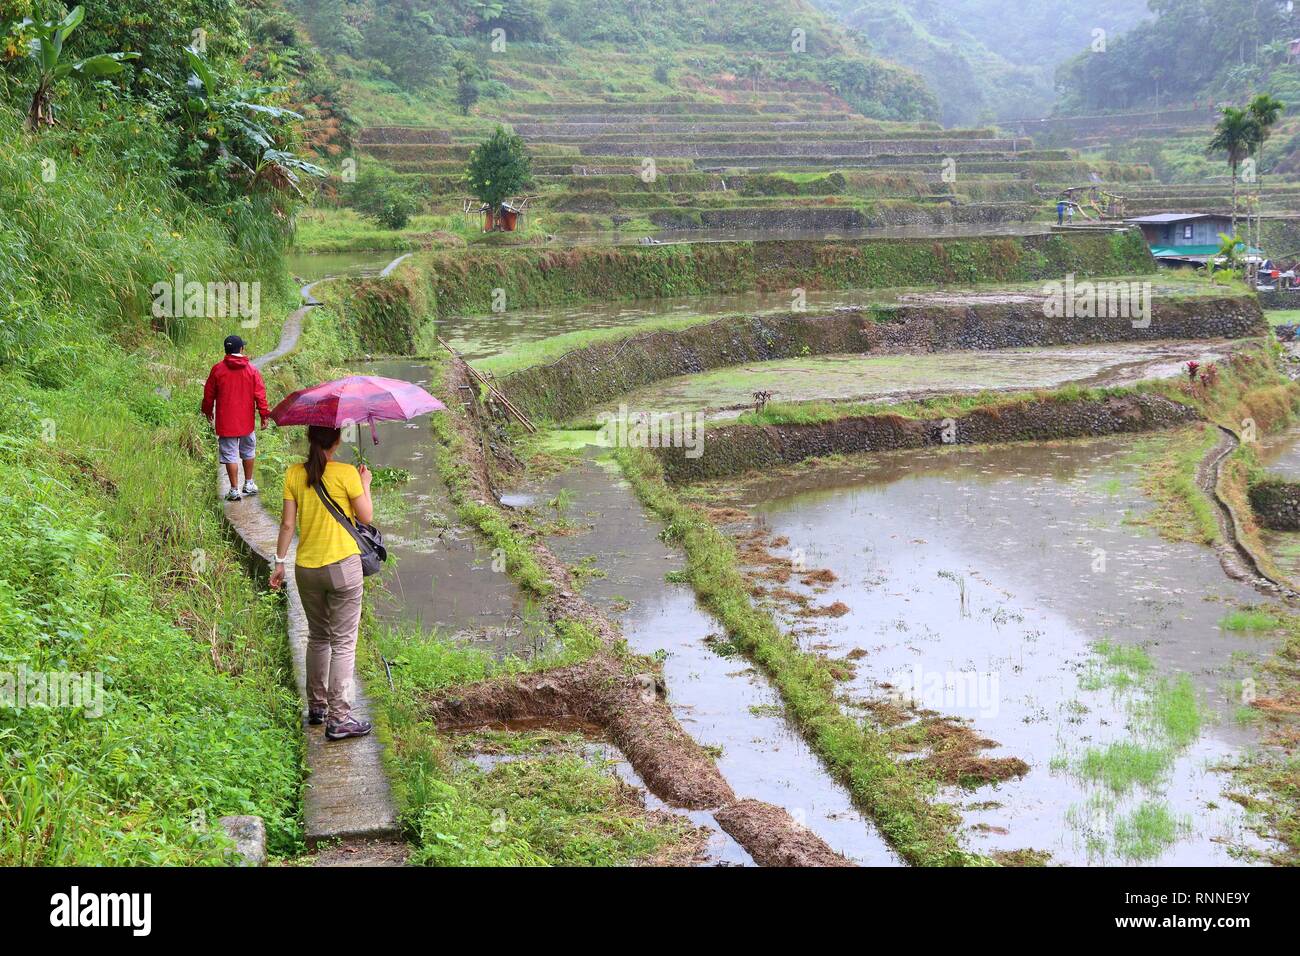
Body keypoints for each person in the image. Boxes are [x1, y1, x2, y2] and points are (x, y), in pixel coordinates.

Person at [270, 425, 374, 741]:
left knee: (318, 636)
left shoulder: (293, 474)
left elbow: (288, 524)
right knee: (343, 641)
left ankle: (317, 709)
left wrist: (279, 562)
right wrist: (365, 483)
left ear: (309, 437)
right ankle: (339, 718)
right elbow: (366, 517)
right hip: (343, 567)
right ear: (338, 440)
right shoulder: (346, 474)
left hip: (306, 569)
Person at [201, 334, 270, 501]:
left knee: (230, 454)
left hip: (226, 422)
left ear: (226, 350)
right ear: (241, 349)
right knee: (248, 450)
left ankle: (233, 490)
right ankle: (249, 483)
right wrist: (264, 414)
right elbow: (260, 395)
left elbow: (209, 394)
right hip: (246, 421)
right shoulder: (252, 371)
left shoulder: (217, 370)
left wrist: (207, 410)